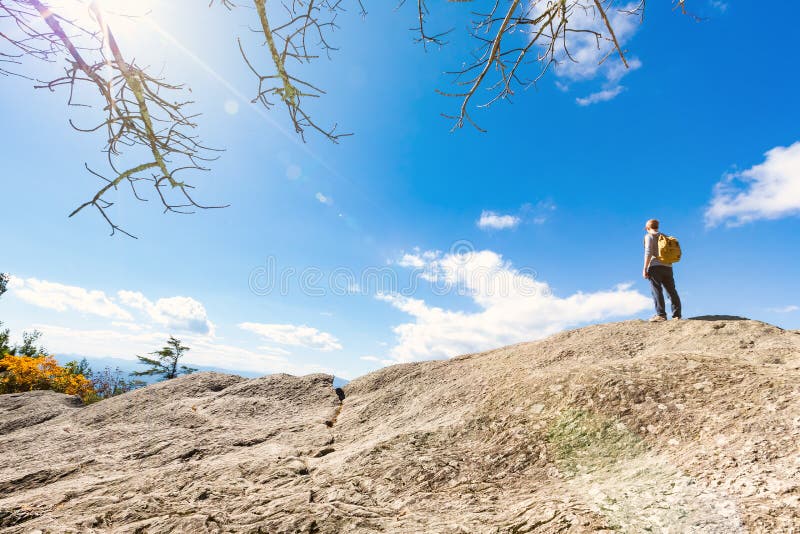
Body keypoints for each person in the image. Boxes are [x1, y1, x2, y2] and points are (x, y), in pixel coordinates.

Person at [643, 219, 681, 322]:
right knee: (671, 291)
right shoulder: (665, 236)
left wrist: (645, 268)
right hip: (668, 267)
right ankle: (677, 315)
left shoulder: (649, 236)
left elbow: (648, 252)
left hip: (655, 267)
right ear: (657, 227)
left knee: (657, 290)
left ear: (647, 228)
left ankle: (661, 315)